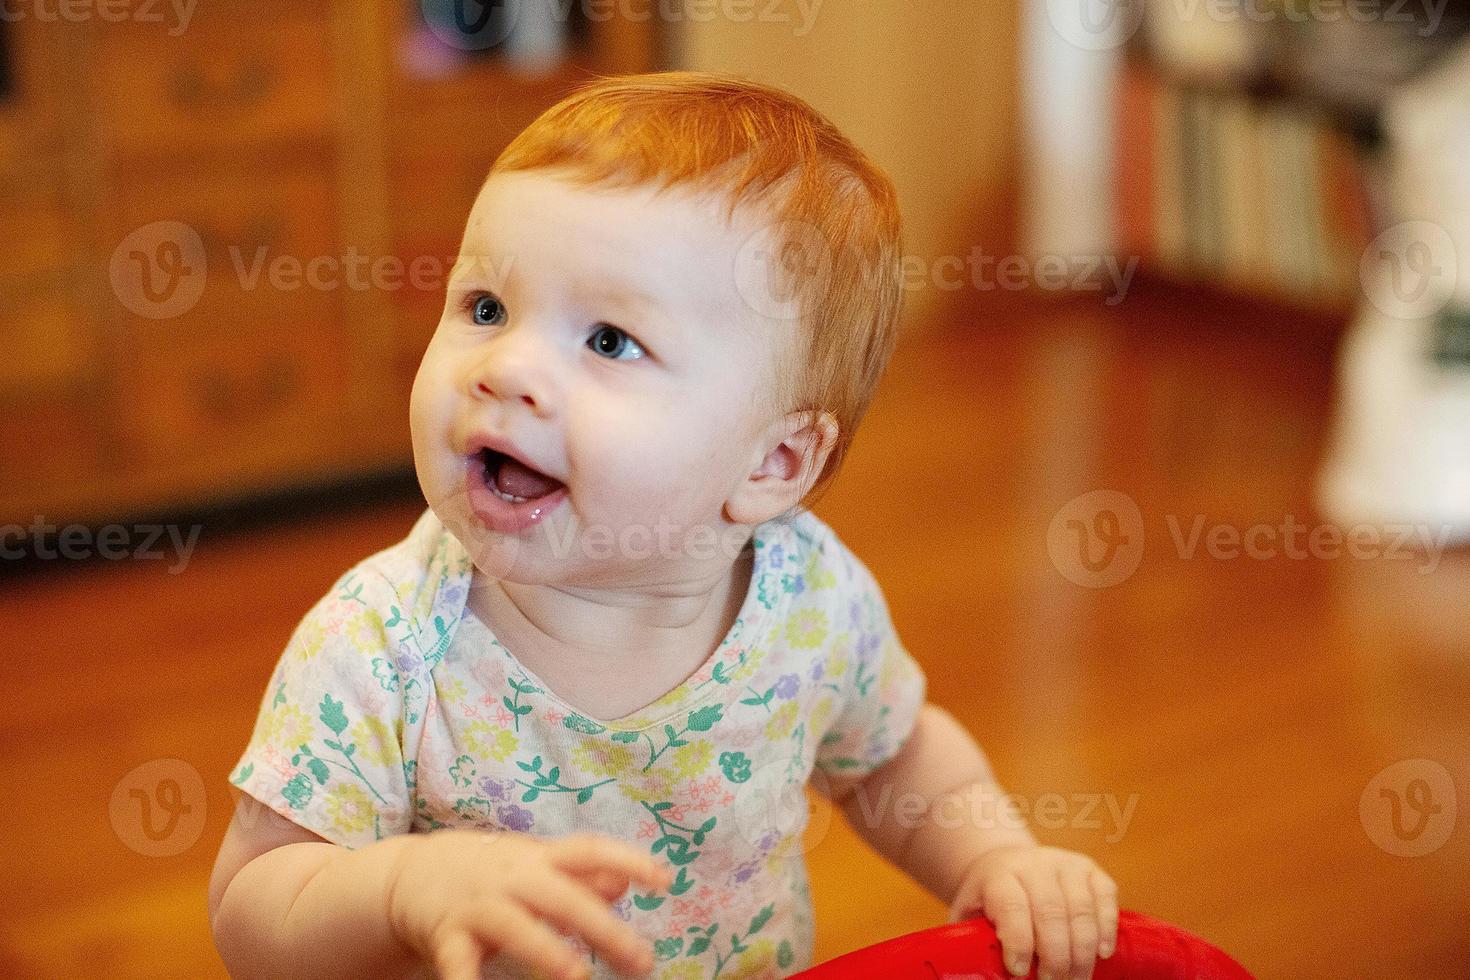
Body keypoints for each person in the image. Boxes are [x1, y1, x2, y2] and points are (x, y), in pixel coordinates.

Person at [207, 70, 1118, 980]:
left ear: (774, 464)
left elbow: (892, 757)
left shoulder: (807, 601)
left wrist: (998, 859)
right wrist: (405, 885)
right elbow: (257, 909)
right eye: (486, 308)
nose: (505, 366)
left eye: (609, 340)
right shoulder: (380, 647)